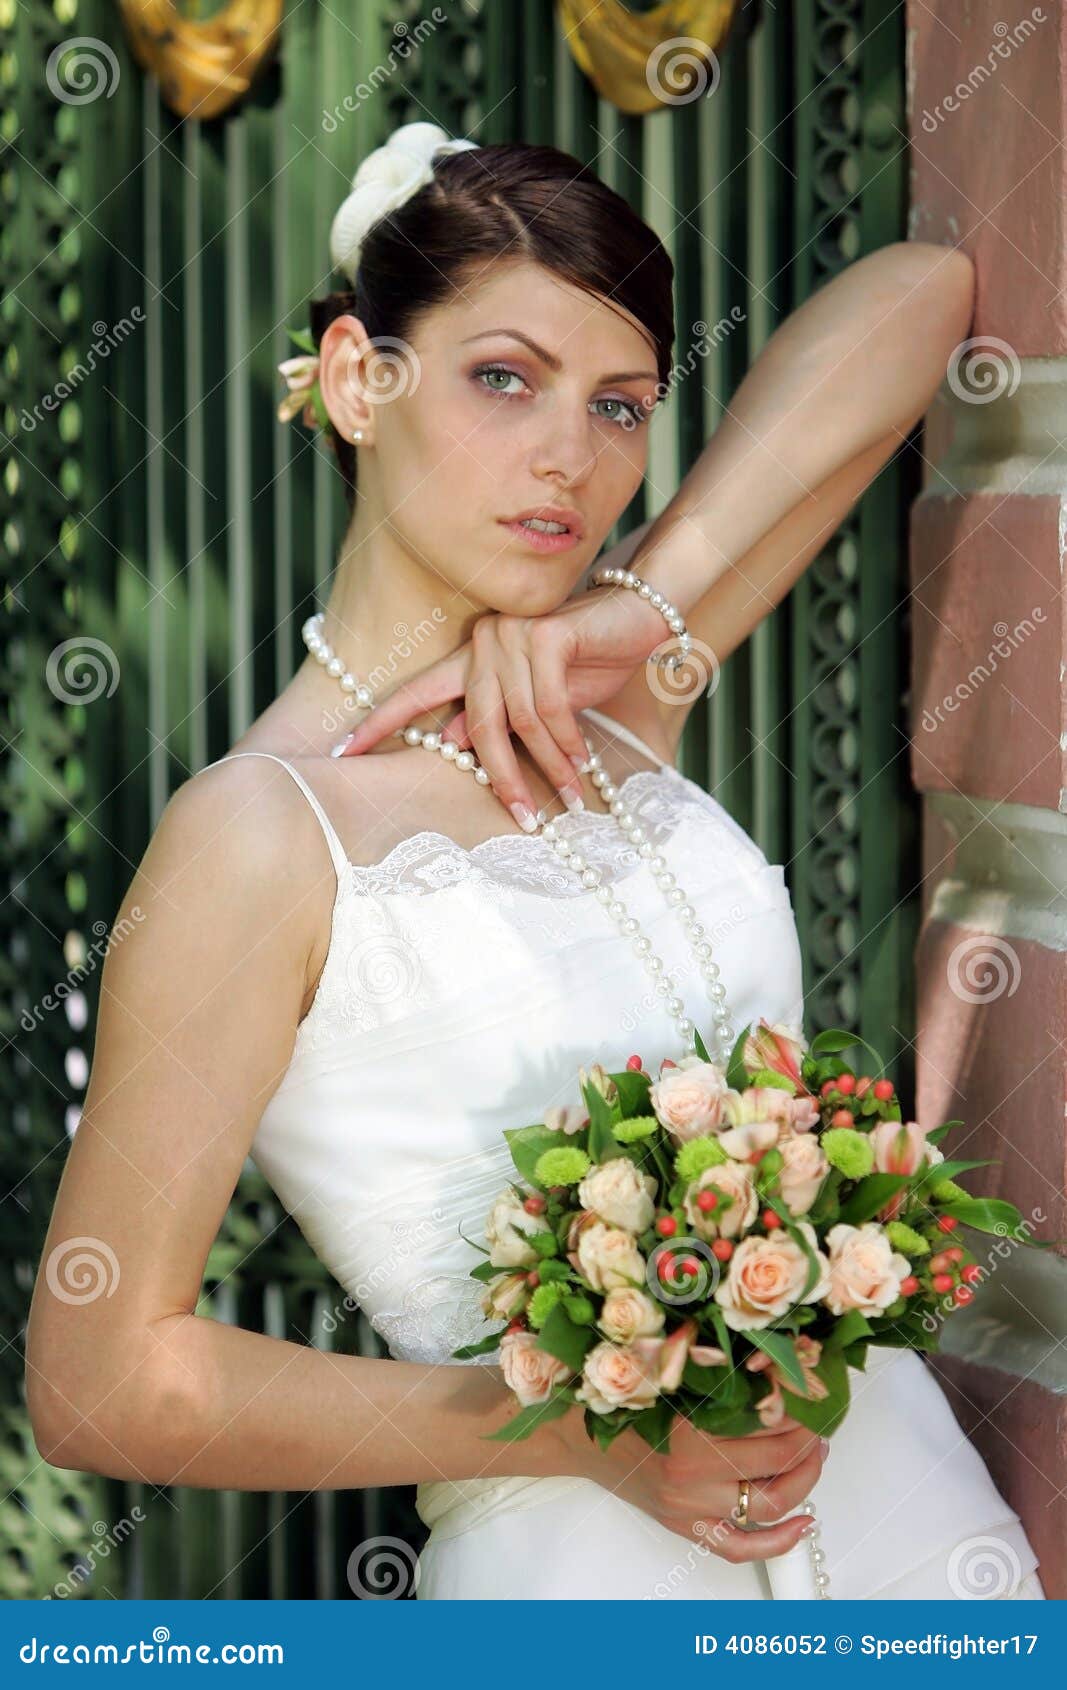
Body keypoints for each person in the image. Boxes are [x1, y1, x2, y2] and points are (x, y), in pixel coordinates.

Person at [25, 124, 1044, 1601]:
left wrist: (641, 609)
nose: (572, 456)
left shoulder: (618, 704)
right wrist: (576, 1430)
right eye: (504, 377)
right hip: (588, 1583)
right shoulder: (256, 837)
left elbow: (922, 296)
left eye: (622, 405)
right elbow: (98, 1373)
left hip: (914, 1540)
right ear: (365, 381)